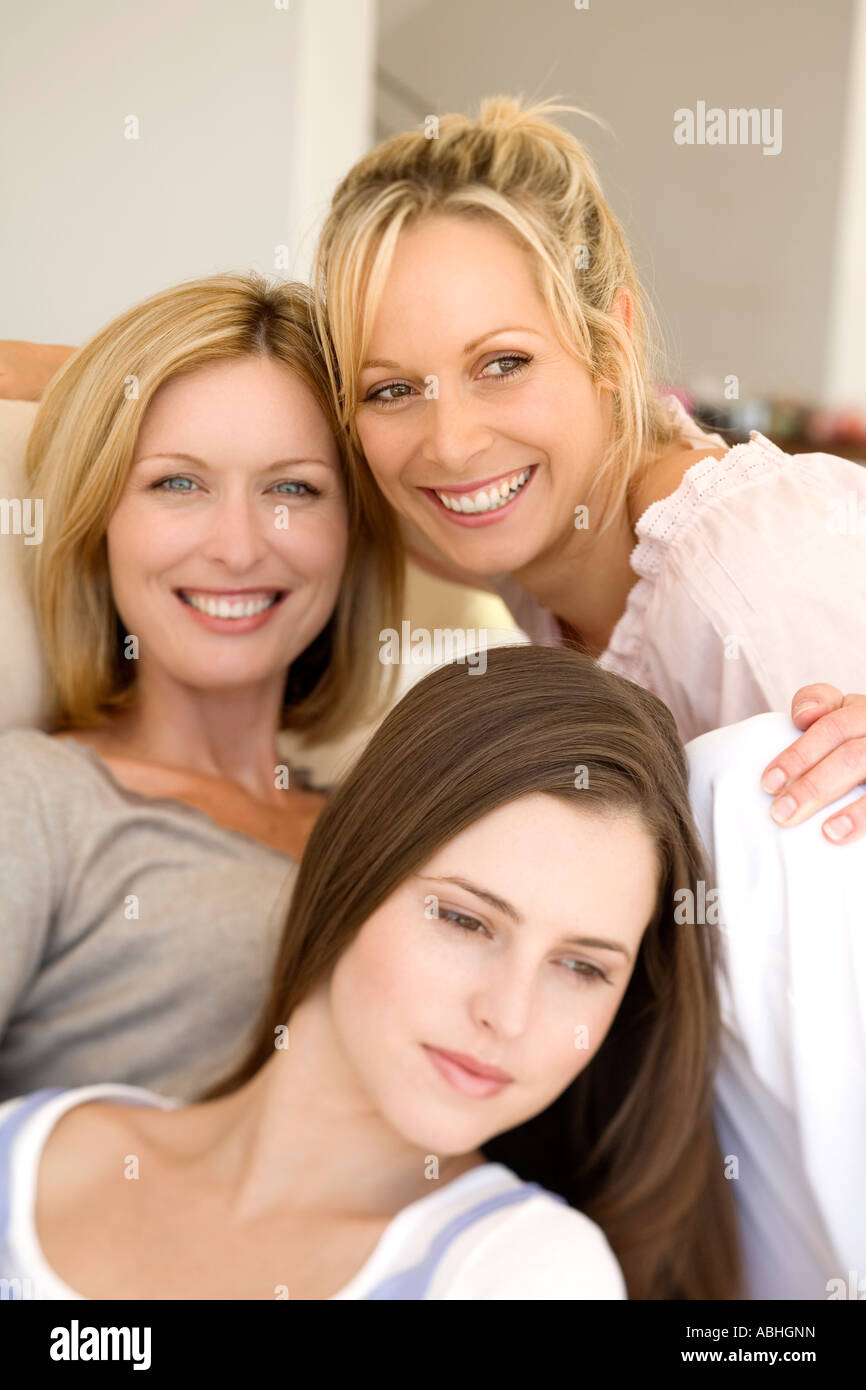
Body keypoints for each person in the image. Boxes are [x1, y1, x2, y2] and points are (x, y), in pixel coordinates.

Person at [0, 646, 742, 1301]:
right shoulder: (24, 1151)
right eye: (464, 920)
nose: (507, 1015)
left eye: (580, 966)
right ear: (353, 867)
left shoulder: (525, 1275)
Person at [310, 94, 866, 844]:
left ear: (613, 345)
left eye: (502, 364)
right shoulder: (519, 531)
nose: (449, 445)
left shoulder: (740, 580)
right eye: (392, 389)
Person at [0, 272, 402, 1102]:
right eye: (176, 482)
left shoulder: (391, 820)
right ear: (97, 519)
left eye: (292, 488)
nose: (236, 546)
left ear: (350, 535)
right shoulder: (32, 801)